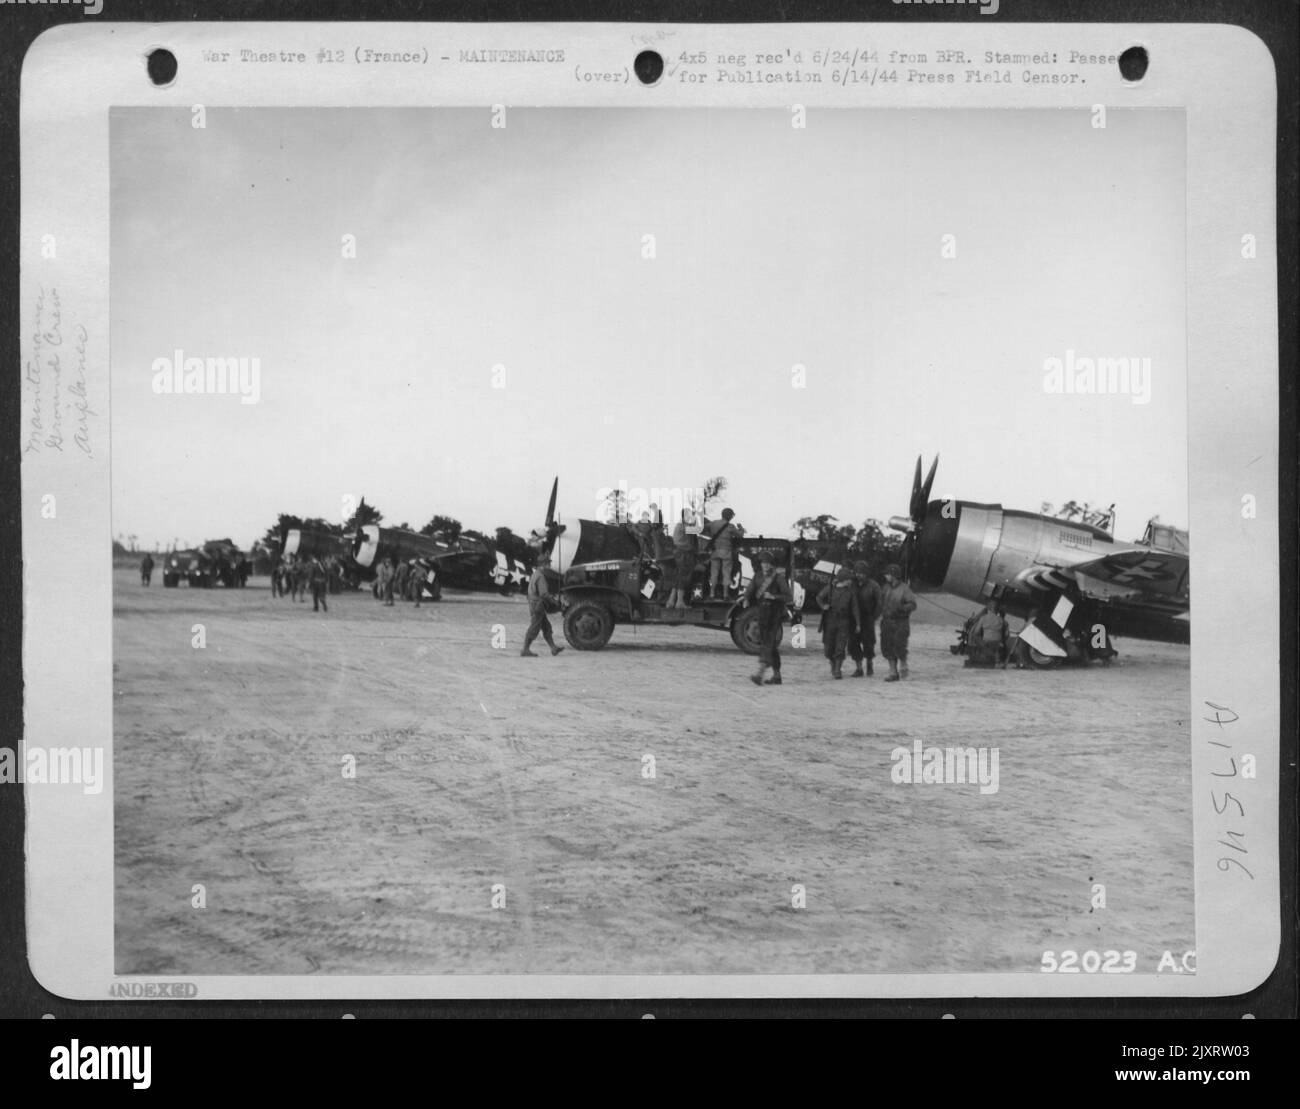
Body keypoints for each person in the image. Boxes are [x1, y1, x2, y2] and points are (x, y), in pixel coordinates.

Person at [742, 550, 794, 686]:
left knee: (768, 644)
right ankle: (777, 676)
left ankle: (760, 674)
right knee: (769, 644)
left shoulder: (778, 578)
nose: (765, 565)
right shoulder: (758, 576)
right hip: (762, 614)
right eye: (763, 563)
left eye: (767, 563)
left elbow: (788, 597)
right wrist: (746, 598)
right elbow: (750, 589)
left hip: (775, 614)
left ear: (772, 565)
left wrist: (774, 597)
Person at [816, 565, 862, 679]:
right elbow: (819, 597)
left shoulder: (851, 593)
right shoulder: (830, 588)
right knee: (828, 648)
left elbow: (855, 608)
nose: (850, 581)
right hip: (830, 620)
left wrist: (858, 623)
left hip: (844, 621)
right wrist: (823, 606)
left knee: (840, 647)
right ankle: (832, 663)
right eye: (848, 579)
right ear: (843, 579)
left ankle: (837, 670)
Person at [879, 564, 918, 681]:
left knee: (900, 646)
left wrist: (902, 608)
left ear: (893, 575)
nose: (886, 576)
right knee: (887, 647)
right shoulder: (885, 588)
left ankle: (903, 665)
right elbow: (880, 601)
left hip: (900, 622)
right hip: (887, 621)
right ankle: (893, 673)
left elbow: (913, 604)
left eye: (888, 574)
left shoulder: (905, 589)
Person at [521, 555, 564, 657]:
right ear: (544, 564)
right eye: (548, 564)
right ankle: (525, 650)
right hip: (538, 605)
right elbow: (544, 594)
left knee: (546, 627)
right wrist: (554, 602)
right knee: (534, 627)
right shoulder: (540, 576)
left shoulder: (535, 574)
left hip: (535, 604)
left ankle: (553, 648)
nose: (549, 566)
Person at [848, 560, 882, 677]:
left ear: (866, 573)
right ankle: (858, 668)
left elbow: (879, 603)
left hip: (868, 617)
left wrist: (874, 617)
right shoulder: (851, 584)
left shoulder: (874, 585)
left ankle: (869, 663)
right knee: (853, 643)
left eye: (861, 573)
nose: (859, 575)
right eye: (857, 572)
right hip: (854, 618)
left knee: (868, 643)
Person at [702, 508, 744, 599]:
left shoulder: (713, 523)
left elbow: (704, 528)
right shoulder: (730, 526)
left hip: (715, 551)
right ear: (730, 516)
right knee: (726, 573)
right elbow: (740, 535)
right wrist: (741, 528)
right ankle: (725, 594)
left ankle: (712, 594)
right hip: (726, 552)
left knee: (714, 573)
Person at [668, 508, 701, 610]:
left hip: (680, 553)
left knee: (678, 577)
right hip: (684, 554)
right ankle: (680, 602)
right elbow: (697, 529)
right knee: (684, 576)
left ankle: (671, 601)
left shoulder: (681, 525)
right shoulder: (683, 526)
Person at [966, 603, 1008, 667]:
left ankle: (974, 653)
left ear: (989, 609)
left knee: (974, 635)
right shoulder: (1002, 620)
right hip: (998, 644)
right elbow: (1007, 635)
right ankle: (996, 655)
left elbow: (976, 632)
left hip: (987, 643)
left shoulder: (984, 618)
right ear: (997, 611)